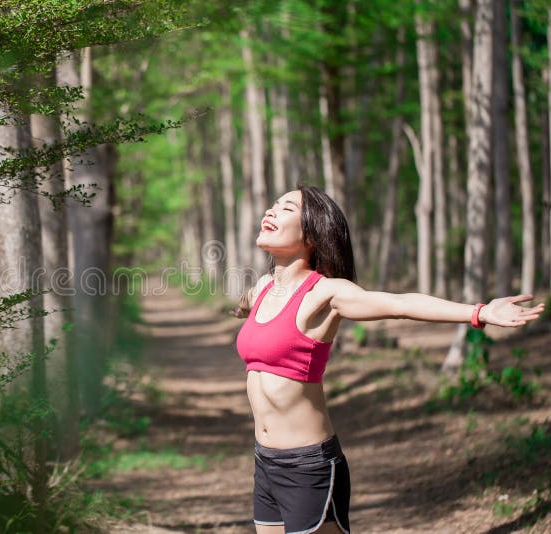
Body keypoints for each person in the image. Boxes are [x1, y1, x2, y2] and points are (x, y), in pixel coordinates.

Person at [232, 184, 545, 534]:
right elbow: (246, 308)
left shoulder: (326, 293)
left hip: (308, 466)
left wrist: (480, 312)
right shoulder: (262, 289)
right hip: (265, 461)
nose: (271, 211)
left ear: (312, 236)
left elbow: (401, 304)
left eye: (286, 208)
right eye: (273, 205)